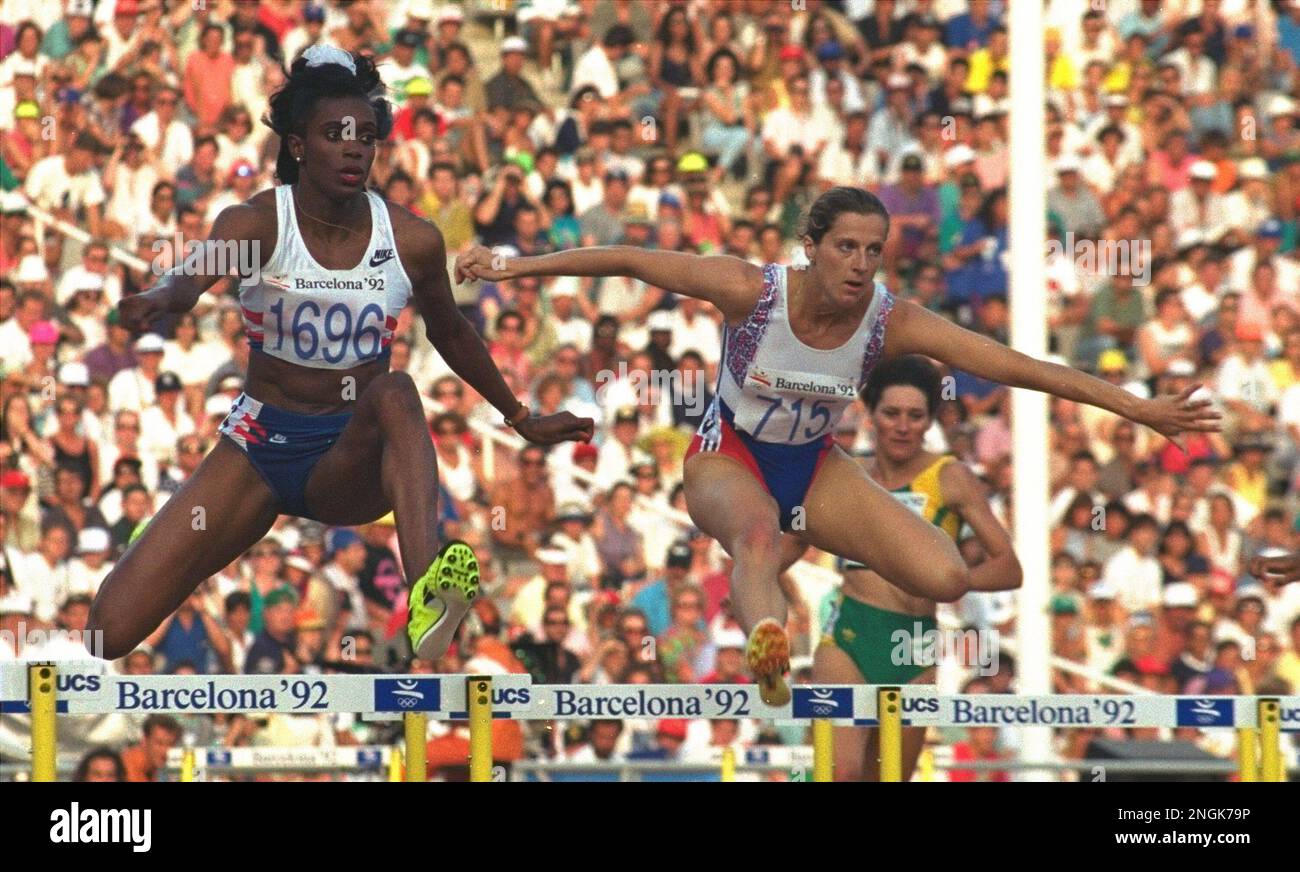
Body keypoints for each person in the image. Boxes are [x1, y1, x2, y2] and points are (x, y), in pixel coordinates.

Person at [456, 186, 1219, 705]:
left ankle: (798, 589)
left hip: (817, 464)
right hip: (732, 453)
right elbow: (627, 258)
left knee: (947, 577)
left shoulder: (892, 321)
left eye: (873, 250)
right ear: (811, 247)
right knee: (756, 538)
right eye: (846, 247)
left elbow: (1017, 366)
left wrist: (1138, 408)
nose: (860, 264)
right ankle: (766, 643)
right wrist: (512, 264)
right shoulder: (752, 291)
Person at [85, 47, 592, 667]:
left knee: (396, 389)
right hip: (258, 450)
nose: (355, 149)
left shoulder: (411, 239)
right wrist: (154, 299)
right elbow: (190, 277)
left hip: (347, 459)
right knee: (107, 633)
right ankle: (174, 536)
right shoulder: (258, 223)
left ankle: (426, 590)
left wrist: (519, 416)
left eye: (366, 138)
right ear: (298, 145)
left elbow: (453, 333)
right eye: (336, 135)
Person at [812, 355, 1020, 781]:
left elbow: (1009, 568)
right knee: (838, 774)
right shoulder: (847, 474)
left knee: (887, 778)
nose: (903, 426)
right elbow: (791, 539)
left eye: (915, 416)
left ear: (930, 422)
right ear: (870, 416)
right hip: (850, 629)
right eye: (891, 414)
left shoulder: (950, 477)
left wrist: (951, 581)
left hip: (913, 644)